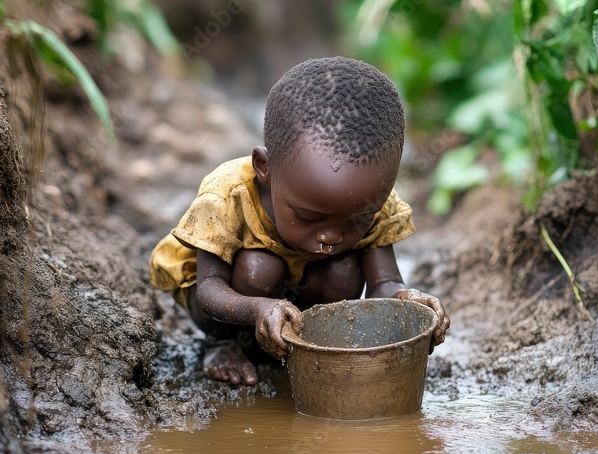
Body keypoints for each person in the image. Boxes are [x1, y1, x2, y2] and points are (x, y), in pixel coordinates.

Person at [149, 56, 450, 385]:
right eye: (308, 215)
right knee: (258, 269)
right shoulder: (228, 197)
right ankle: (223, 345)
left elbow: (385, 285)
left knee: (343, 270)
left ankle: (310, 342)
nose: (332, 235)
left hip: (304, 294)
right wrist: (257, 309)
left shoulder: (371, 199)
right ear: (265, 167)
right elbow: (208, 290)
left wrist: (410, 302)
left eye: (360, 218)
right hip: (239, 302)